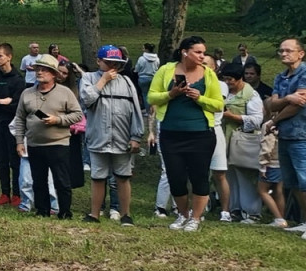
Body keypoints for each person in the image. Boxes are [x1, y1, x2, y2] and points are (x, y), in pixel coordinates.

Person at [148, 36, 225, 232]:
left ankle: (196, 218)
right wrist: (171, 94)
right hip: (171, 133)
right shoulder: (166, 70)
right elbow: (151, 96)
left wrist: (200, 98)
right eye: (198, 52)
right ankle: (182, 215)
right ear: (184, 52)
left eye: (203, 52)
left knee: (199, 176)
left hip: (200, 133)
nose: (202, 56)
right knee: (175, 176)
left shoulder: (208, 74)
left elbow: (218, 104)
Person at [12, 54, 83, 219]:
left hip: (58, 143)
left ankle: (65, 212)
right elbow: (20, 119)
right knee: (38, 180)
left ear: (53, 74)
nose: (39, 72)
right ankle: (42, 210)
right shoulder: (27, 93)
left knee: (62, 181)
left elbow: (78, 115)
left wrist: (58, 120)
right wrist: (19, 141)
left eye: (44, 70)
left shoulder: (65, 93)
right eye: (38, 69)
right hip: (34, 144)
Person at [78, 46, 143, 225]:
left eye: (116, 63)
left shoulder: (127, 82)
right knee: (98, 177)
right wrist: (103, 81)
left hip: (122, 139)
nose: (112, 65)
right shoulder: (88, 78)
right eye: (108, 62)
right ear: (98, 61)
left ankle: (125, 215)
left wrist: (136, 136)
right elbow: (86, 100)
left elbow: (136, 110)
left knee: (123, 177)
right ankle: (94, 214)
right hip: (98, 137)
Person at [263, 37, 306, 233]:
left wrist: (274, 120)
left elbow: (298, 106)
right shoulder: (280, 77)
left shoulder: (305, 73)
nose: (283, 54)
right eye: (281, 50)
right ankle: (304, 222)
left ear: (301, 53)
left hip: (302, 134)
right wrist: (288, 98)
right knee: (293, 182)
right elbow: (273, 103)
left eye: (288, 50)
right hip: (286, 135)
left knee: (304, 180)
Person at [219, 63, 265, 222]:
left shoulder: (251, 95)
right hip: (224, 139)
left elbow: (257, 120)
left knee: (245, 176)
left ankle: (252, 211)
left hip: (243, 141)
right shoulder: (224, 91)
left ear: (239, 79)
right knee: (228, 174)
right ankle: (234, 208)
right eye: (224, 79)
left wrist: (233, 117)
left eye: (230, 79)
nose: (227, 82)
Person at [0, 44, 26, 206]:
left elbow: (17, 104)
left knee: (14, 160)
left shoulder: (18, 80)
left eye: (0, 56)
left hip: (13, 125)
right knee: (1, 159)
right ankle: (5, 193)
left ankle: (17, 193)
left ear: (9, 57)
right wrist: (3, 102)